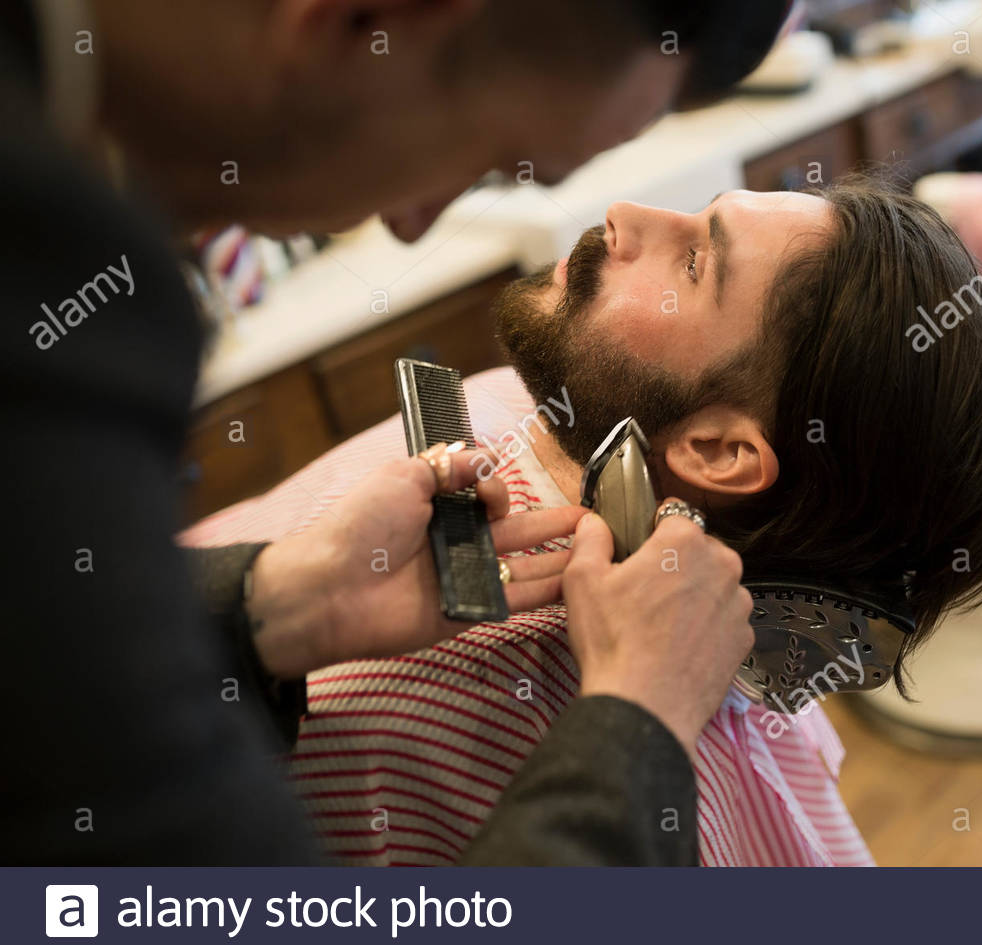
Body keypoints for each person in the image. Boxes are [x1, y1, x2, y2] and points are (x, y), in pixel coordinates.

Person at [0, 0, 794, 864]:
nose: (412, 221)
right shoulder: (45, 283)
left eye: (697, 261)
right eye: (494, 163)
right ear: (363, 18)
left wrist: (270, 602)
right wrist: (639, 720)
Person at [183, 176, 982, 864]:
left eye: (696, 262)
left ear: (716, 451)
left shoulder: (531, 406)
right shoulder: (524, 411)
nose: (623, 213)